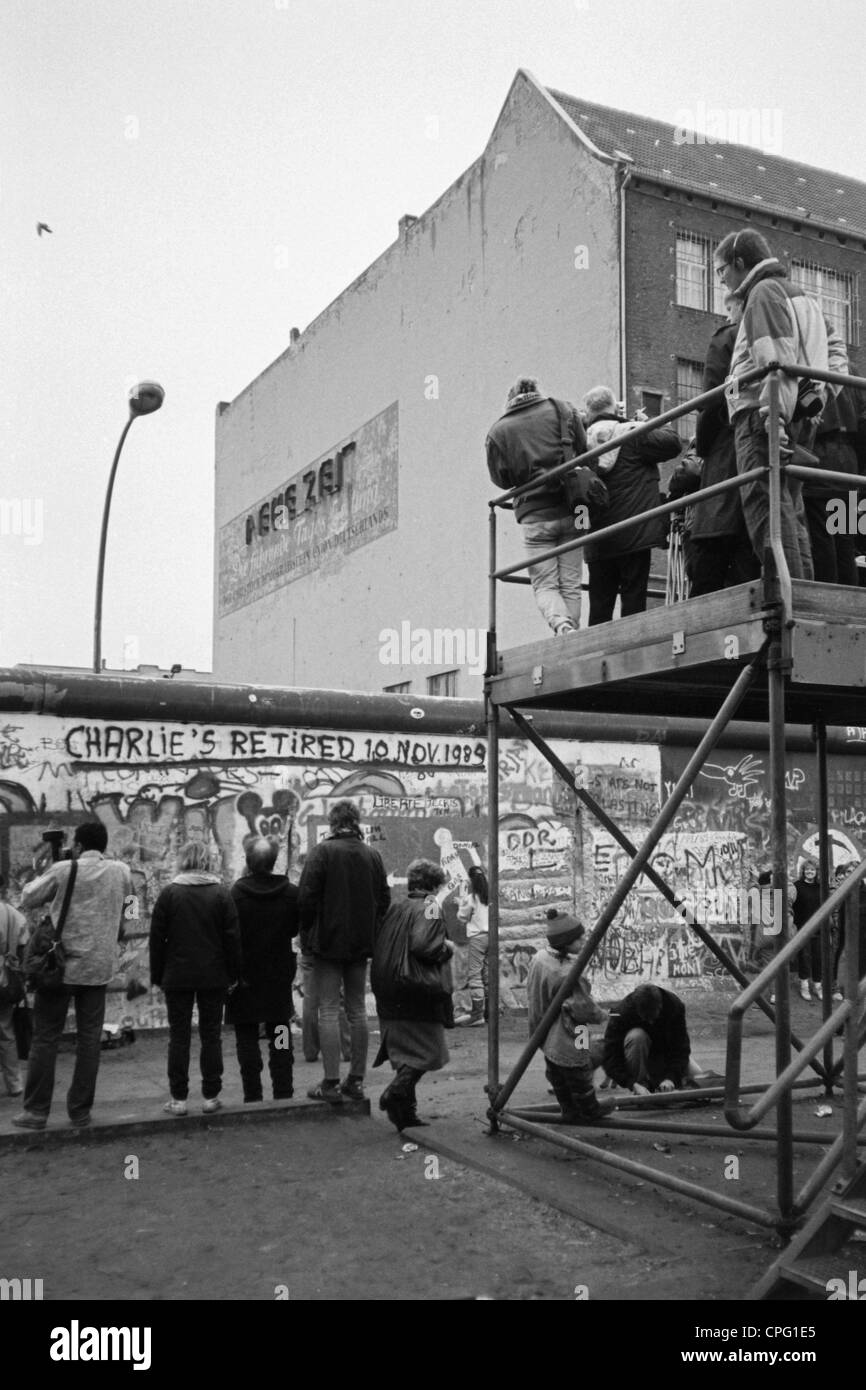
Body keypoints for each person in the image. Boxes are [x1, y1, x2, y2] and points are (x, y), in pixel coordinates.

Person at [716, 228, 848, 579]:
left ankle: (785, 596)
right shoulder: (805, 299)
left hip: (762, 416)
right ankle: (802, 597)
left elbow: (774, 359)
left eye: (721, 271)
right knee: (791, 510)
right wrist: (818, 396)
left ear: (739, 262)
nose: (722, 280)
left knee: (766, 508)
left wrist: (774, 418)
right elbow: (836, 353)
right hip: (795, 417)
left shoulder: (762, 293)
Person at [13, 820, 133, 1130]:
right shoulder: (121, 871)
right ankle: (80, 1111)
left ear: (78, 846)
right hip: (98, 966)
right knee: (90, 1039)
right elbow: (130, 909)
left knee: (45, 1037)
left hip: (59, 967)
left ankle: (36, 1112)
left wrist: (54, 866)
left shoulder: (65, 869)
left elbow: (28, 897)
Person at [298, 800, 390, 1104]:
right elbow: (384, 900)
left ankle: (331, 1081)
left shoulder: (322, 852)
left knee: (327, 1008)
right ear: (356, 821)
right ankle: (357, 1080)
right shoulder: (372, 855)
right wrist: (370, 930)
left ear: (333, 822)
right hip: (360, 944)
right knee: (357, 1009)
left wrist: (307, 934)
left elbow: (306, 898)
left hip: (326, 944)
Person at [486, 375, 593, 636]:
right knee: (571, 581)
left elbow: (501, 480)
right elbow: (584, 448)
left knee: (545, 585)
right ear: (537, 391)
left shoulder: (498, 432)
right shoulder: (564, 409)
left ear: (510, 399)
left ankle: (562, 626)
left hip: (535, 514)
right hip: (577, 507)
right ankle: (571, 634)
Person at [149, 841, 241, 1117]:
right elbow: (232, 939)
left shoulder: (168, 895)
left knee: (178, 1037)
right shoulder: (222, 895)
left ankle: (178, 1099)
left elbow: (157, 940)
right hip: (214, 977)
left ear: (182, 861)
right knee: (211, 1035)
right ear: (206, 862)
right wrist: (234, 974)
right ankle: (211, 1096)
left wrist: (157, 975)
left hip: (177, 977)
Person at [581, 385, 681, 624]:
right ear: (614, 406)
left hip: (597, 538)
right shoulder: (631, 432)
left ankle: (597, 656)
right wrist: (645, 423)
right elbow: (673, 443)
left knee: (599, 605)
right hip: (634, 533)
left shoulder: (581, 441)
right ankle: (632, 654)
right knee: (634, 600)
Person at [371, 857, 455, 1131]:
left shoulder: (398, 907)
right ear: (435, 884)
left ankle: (404, 1114)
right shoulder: (430, 907)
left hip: (389, 989)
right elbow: (424, 946)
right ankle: (396, 1092)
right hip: (417, 991)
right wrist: (448, 949)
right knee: (430, 1051)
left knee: (404, 1053)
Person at [685, 297, 761, 595]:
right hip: (766, 451)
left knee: (708, 567)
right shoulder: (778, 331)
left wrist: (703, 446)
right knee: (749, 565)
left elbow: (714, 396)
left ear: (734, 308)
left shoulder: (728, 336)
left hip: (726, 452)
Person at [227, 836, 298, 1103]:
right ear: (273, 862)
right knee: (279, 1032)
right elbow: (296, 929)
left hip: (244, 978)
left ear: (248, 862)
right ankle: (283, 1090)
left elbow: (230, 936)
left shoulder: (234, 895)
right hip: (278, 976)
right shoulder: (291, 893)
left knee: (246, 1036)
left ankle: (252, 1095)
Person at [526, 908, 605, 1122]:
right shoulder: (568, 971)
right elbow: (582, 1007)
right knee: (579, 1067)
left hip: (542, 1023)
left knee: (556, 1073)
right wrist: (601, 1015)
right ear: (565, 943)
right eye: (578, 938)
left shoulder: (540, 957)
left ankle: (568, 1110)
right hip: (569, 1030)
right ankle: (590, 1109)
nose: (583, 940)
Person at [601, 983, 693, 1094]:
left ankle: (659, 1080)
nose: (650, 1022)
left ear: (661, 1006)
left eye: (653, 1018)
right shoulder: (621, 1013)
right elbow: (610, 1056)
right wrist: (632, 1083)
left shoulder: (675, 1007)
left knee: (696, 1077)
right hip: (636, 1057)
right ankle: (642, 1084)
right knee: (637, 1036)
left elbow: (681, 1048)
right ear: (636, 1010)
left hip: (664, 1056)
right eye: (646, 1018)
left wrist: (671, 1078)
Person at [0, 879, 28, 1099]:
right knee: (6, 1032)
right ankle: (15, 1083)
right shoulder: (14, 915)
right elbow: (23, 947)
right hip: (5, 979)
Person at [454, 863, 489, 1027]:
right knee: (488, 975)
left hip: (478, 938)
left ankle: (477, 1014)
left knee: (475, 975)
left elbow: (462, 917)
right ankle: (490, 1012)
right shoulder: (490, 897)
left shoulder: (471, 898)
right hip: (492, 937)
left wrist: (461, 902)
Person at [792, 859, 824, 1002]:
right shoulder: (797, 886)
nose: (810, 872)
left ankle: (818, 986)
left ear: (816, 872)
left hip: (818, 928)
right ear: (803, 871)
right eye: (807, 869)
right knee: (804, 957)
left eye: (812, 869)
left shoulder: (820, 887)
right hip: (802, 928)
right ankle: (804, 985)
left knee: (818, 957)